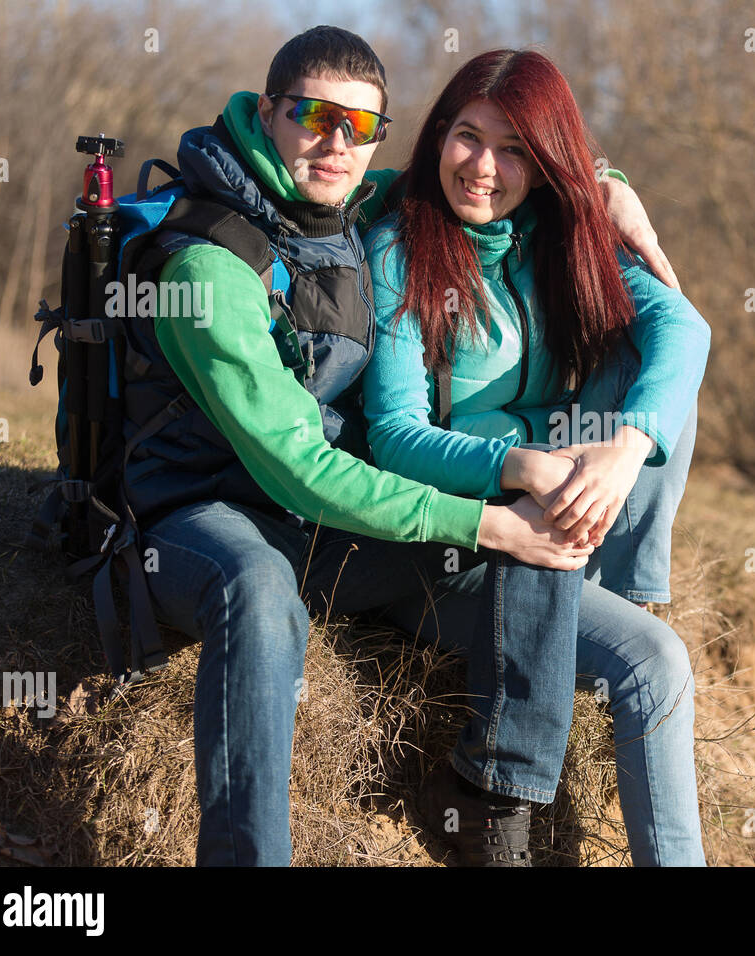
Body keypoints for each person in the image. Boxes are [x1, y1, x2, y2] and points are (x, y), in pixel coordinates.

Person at [123, 25, 679, 866]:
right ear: (267, 111)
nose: (336, 142)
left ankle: (498, 806)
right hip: (207, 509)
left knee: (536, 529)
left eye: (360, 125)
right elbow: (300, 469)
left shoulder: (347, 202)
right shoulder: (207, 272)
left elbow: (488, 169)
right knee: (260, 592)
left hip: (321, 518)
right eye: (312, 115)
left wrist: (605, 184)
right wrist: (489, 523)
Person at [362, 49, 710, 866]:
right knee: (654, 666)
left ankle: (624, 587)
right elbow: (394, 438)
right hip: (462, 536)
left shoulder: (565, 233)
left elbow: (687, 327)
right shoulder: (399, 252)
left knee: (658, 365)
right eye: (466, 136)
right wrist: (519, 466)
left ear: (548, 162)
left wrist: (624, 449)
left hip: (565, 501)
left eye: (514, 147)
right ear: (438, 134)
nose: (483, 168)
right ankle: (494, 793)